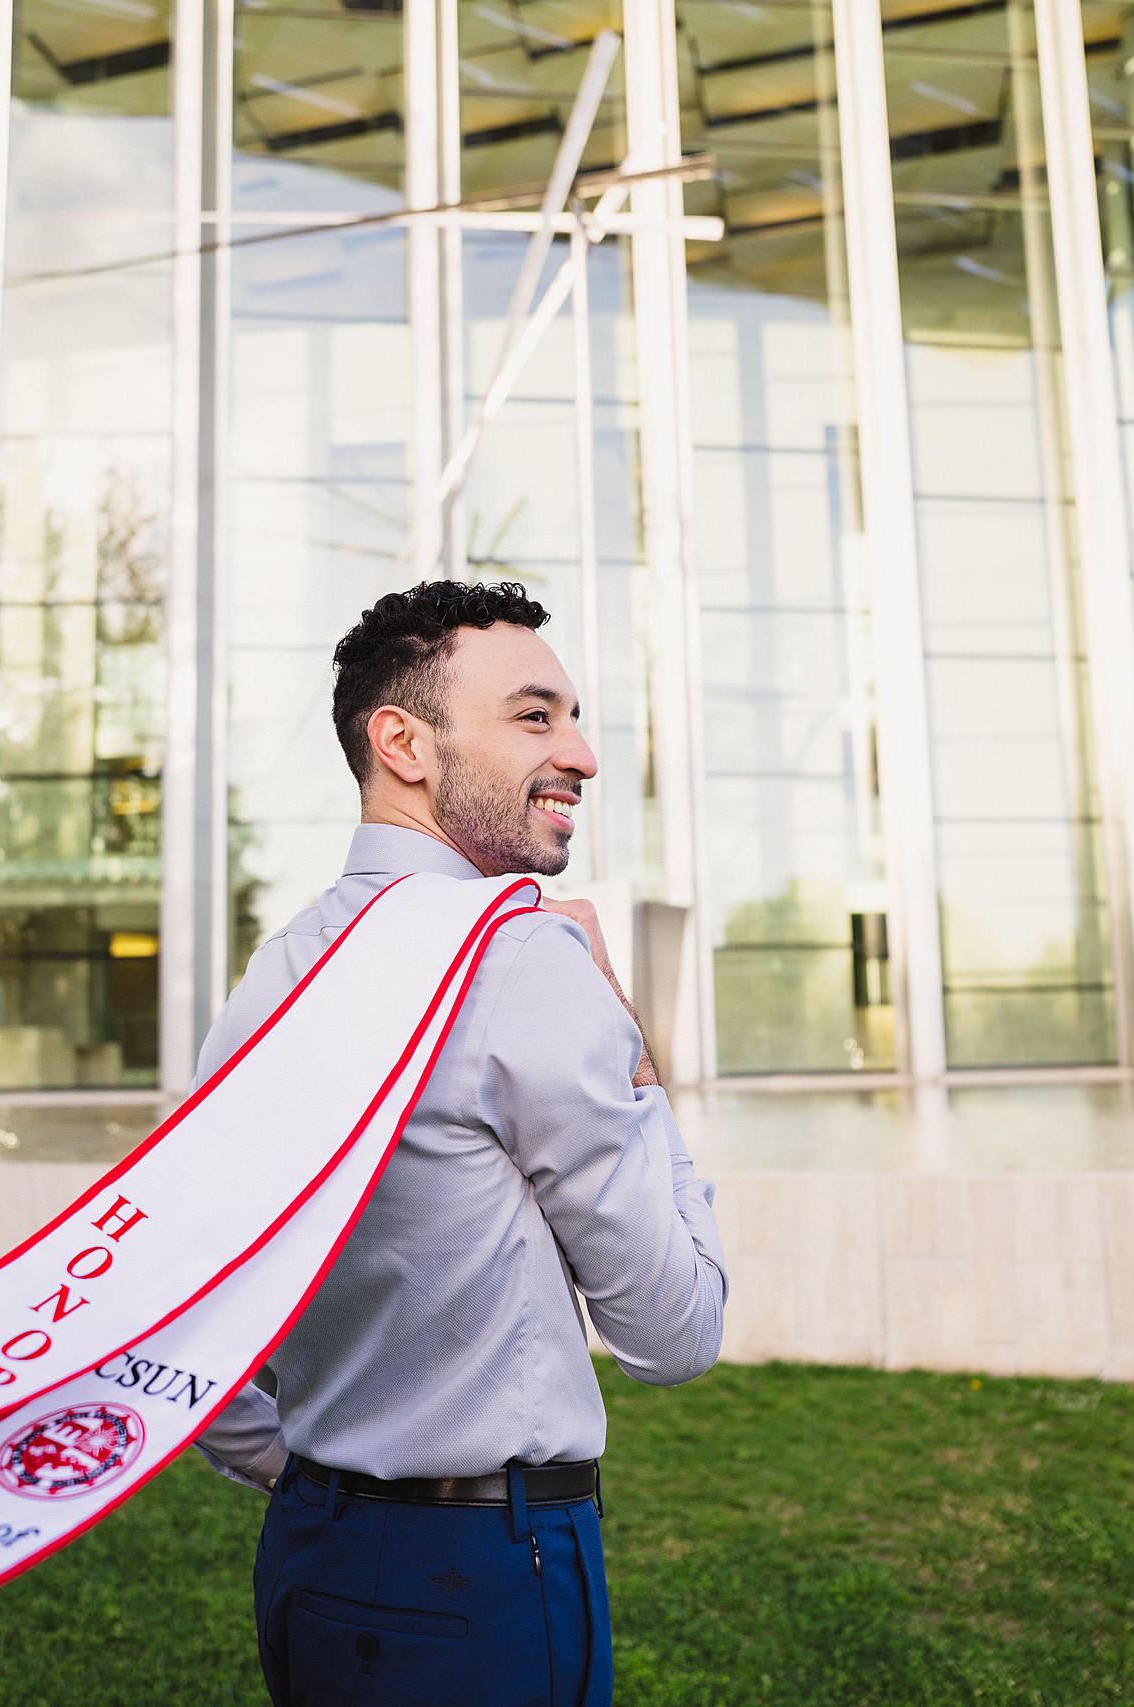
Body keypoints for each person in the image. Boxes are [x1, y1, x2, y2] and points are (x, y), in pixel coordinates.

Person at [191, 579, 729, 1706]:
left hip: (312, 1561)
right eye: (534, 717)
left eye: (572, 717)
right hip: (487, 1577)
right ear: (404, 745)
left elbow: (198, 1312)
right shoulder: (523, 961)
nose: (581, 754)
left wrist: (329, 1485)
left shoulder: (276, 973)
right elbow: (674, 1330)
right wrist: (628, 1041)